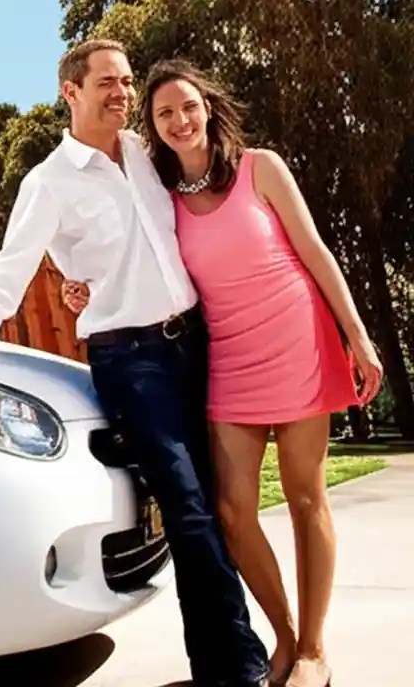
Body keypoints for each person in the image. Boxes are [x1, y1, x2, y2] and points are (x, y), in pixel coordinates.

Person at [0, 39, 272, 687]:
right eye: (107, 81)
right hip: (132, 359)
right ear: (69, 91)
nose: (122, 93)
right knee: (187, 508)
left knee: (211, 510)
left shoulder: (146, 153)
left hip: (193, 343)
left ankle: (218, 666)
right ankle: (242, 669)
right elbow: (8, 270)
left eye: (127, 81)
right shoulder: (48, 183)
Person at [60, 58, 382, 687]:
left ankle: (314, 649)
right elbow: (122, 253)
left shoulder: (261, 167)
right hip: (229, 357)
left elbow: (315, 249)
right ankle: (284, 638)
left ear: (208, 107)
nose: (180, 120)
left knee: (305, 495)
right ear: (154, 128)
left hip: (297, 341)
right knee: (232, 512)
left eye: (188, 106)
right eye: (165, 114)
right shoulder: (157, 193)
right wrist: (82, 288)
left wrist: (358, 335)